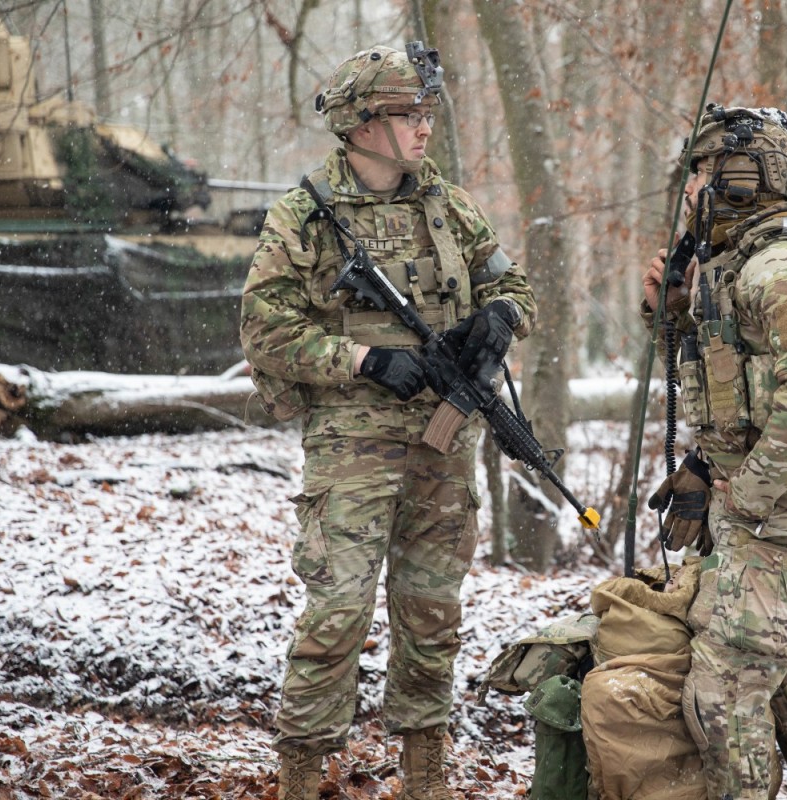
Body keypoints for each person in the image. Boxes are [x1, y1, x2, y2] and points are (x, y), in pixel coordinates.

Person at [240, 42, 537, 800]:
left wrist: (501, 316)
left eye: (430, 112)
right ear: (363, 124)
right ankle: (303, 772)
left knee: (432, 610)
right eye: (411, 113)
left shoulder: (450, 205)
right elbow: (263, 330)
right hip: (352, 448)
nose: (425, 128)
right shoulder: (305, 214)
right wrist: (363, 361)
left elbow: (515, 284)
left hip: (443, 440)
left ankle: (424, 772)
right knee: (337, 611)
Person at [641, 104, 787, 799]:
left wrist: (749, 493)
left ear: (739, 180)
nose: (689, 192)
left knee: (724, 699)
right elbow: (728, 384)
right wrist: (670, 308)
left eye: (699, 174)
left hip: (778, 510)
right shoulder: (735, 265)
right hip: (759, 506)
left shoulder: (785, 266)